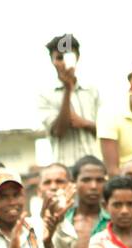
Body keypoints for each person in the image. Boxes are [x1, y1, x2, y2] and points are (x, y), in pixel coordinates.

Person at [39, 34, 101, 168]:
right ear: (52, 61)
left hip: (93, 166)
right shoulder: (45, 94)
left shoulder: (92, 91)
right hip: (64, 167)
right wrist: (68, 90)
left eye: (68, 57)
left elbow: (107, 129)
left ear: (77, 57)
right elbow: (58, 131)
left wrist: (83, 123)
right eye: (59, 58)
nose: (64, 63)